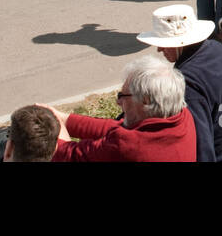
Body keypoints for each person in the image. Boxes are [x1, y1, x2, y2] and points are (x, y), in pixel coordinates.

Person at [137, 5, 222, 162]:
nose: (159, 49)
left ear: (179, 43)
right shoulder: (216, 49)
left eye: (163, 43)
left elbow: (201, 144)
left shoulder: (187, 81)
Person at [46, 58, 196, 162]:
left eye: (122, 96)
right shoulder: (182, 118)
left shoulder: (129, 146)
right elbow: (117, 129)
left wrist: (54, 125)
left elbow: (70, 156)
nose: (118, 102)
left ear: (145, 100)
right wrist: (65, 119)